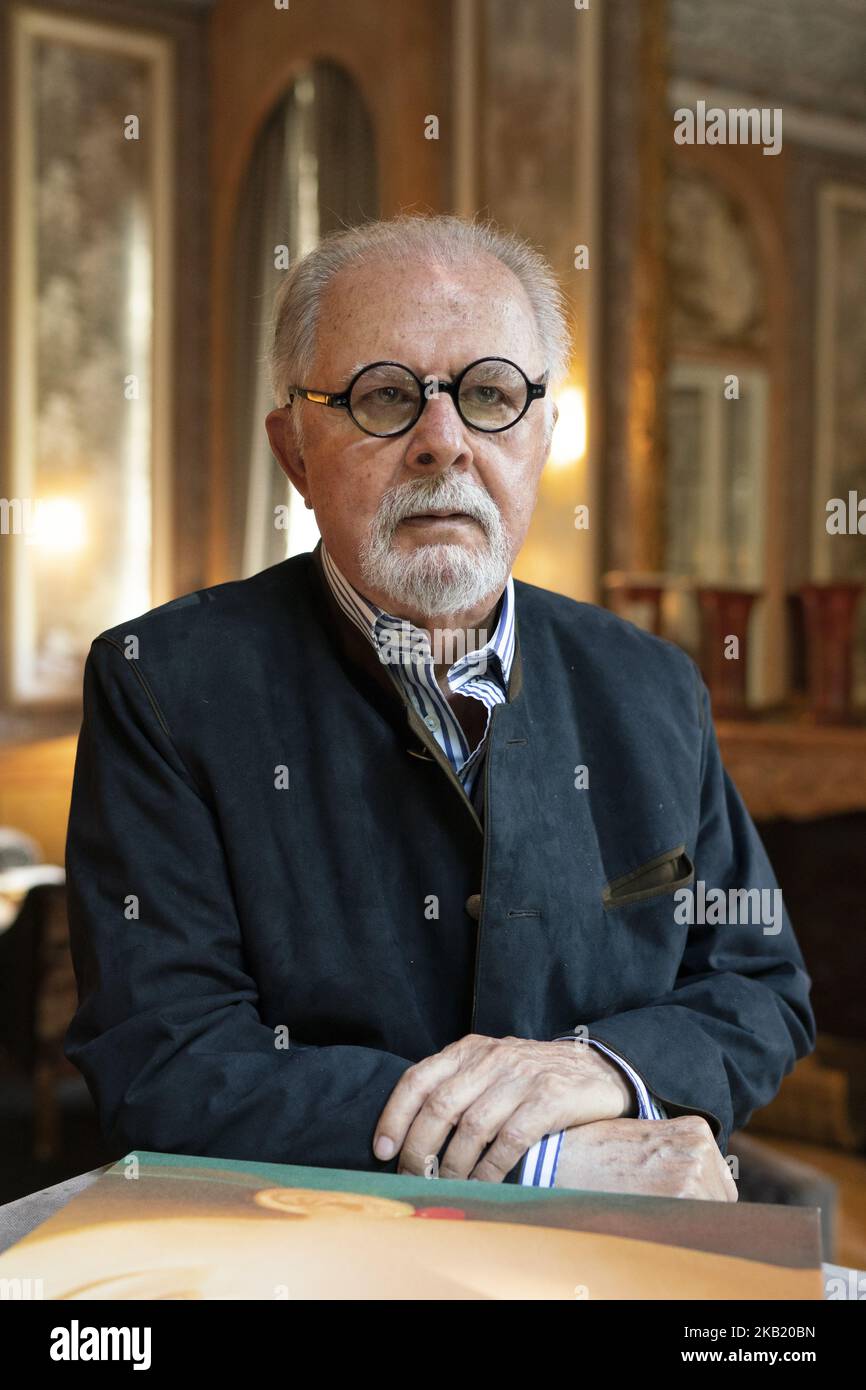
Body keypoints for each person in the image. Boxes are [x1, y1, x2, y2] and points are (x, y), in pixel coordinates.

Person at [65, 214, 814, 1197]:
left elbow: (759, 986)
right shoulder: (160, 682)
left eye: (491, 393)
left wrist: (598, 1068)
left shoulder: (651, 684)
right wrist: (541, 1159)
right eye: (382, 397)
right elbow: (164, 1062)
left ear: (542, 434)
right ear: (293, 449)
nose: (442, 443)